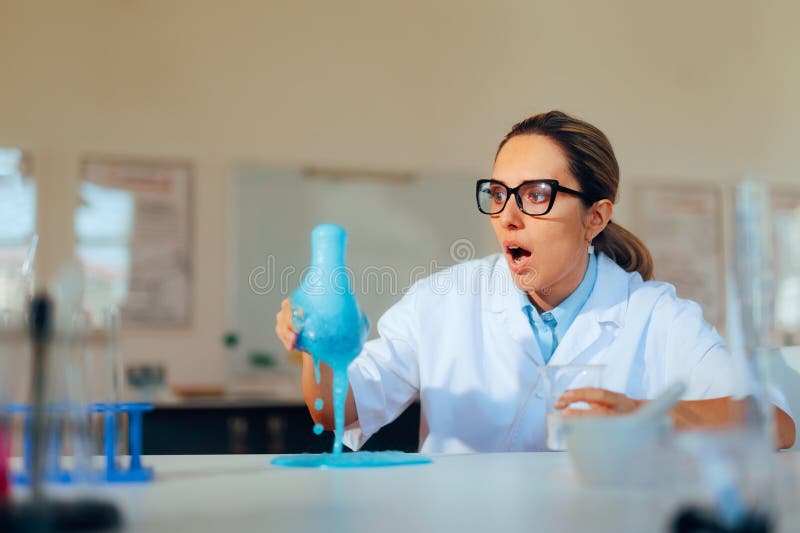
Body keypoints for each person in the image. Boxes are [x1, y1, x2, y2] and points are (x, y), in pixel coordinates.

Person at [275, 110, 796, 452]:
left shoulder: (656, 315)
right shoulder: (443, 301)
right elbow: (335, 407)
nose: (508, 216)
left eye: (537, 194)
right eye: (498, 193)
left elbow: (774, 424)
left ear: (595, 217)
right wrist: (318, 350)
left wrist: (648, 417)